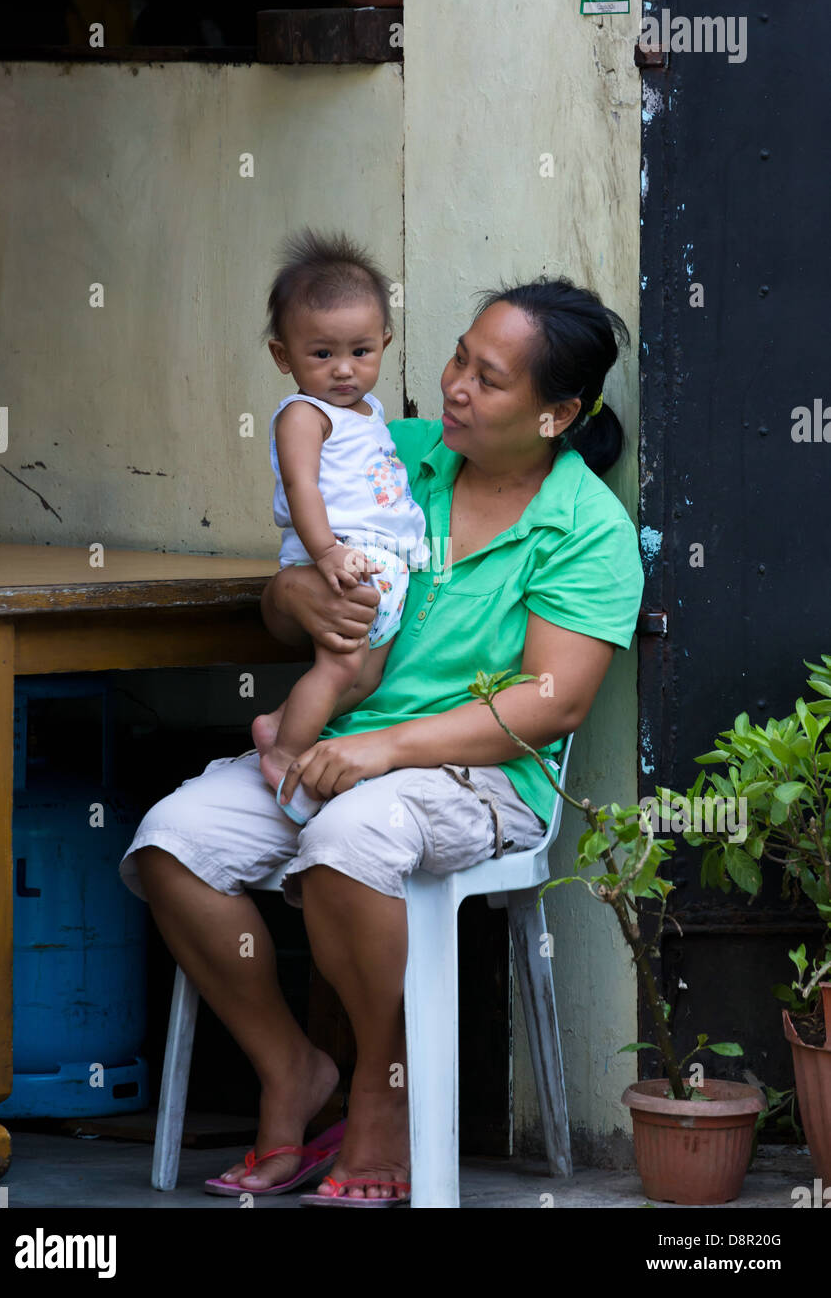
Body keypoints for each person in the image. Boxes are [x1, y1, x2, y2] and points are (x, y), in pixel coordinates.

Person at [119, 274, 645, 1206]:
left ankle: (378, 1085)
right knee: (172, 841)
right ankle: (293, 1070)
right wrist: (300, 598)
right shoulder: (392, 453)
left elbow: (550, 704)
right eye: (457, 359)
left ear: (557, 414)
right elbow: (287, 597)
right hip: (333, 747)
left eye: (488, 379)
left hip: (472, 780)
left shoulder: (585, 529)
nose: (453, 387)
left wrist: (388, 750)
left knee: (347, 838)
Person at [255, 230, 429, 823]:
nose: (344, 371)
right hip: (342, 555)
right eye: (321, 354)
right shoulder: (305, 414)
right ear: (284, 357)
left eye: (360, 351)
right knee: (339, 666)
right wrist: (326, 553)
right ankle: (284, 752)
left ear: (384, 343)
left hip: (384, 561)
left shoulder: (372, 410)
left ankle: (279, 720)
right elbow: (303, 488)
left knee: (365, 673)